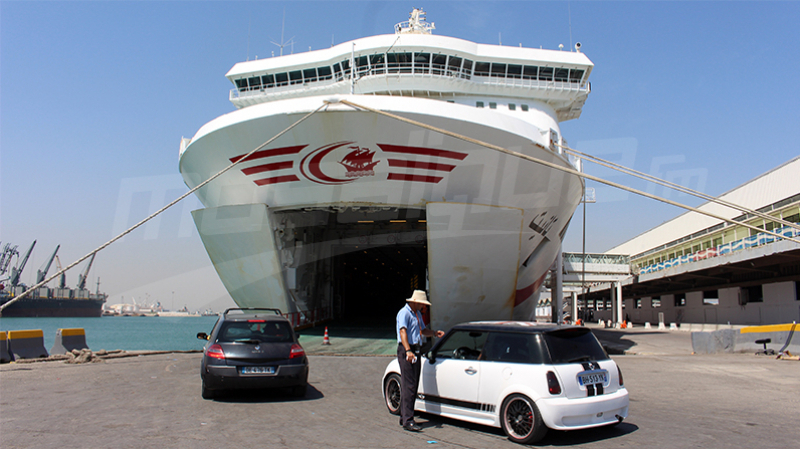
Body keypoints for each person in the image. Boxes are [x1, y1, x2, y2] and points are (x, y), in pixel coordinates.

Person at [396, 290, 444, 432]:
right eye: (422, 303)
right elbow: (402, 331)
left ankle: (404, 416)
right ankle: (408, 420)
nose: (423, 306)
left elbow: (422, 330)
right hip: (408, 349)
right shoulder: (404, 313)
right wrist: (408, 351)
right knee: (409, 385)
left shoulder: (416, 314)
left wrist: (434, 333)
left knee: (412, 384)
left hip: (415, 349)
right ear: (415, 301)